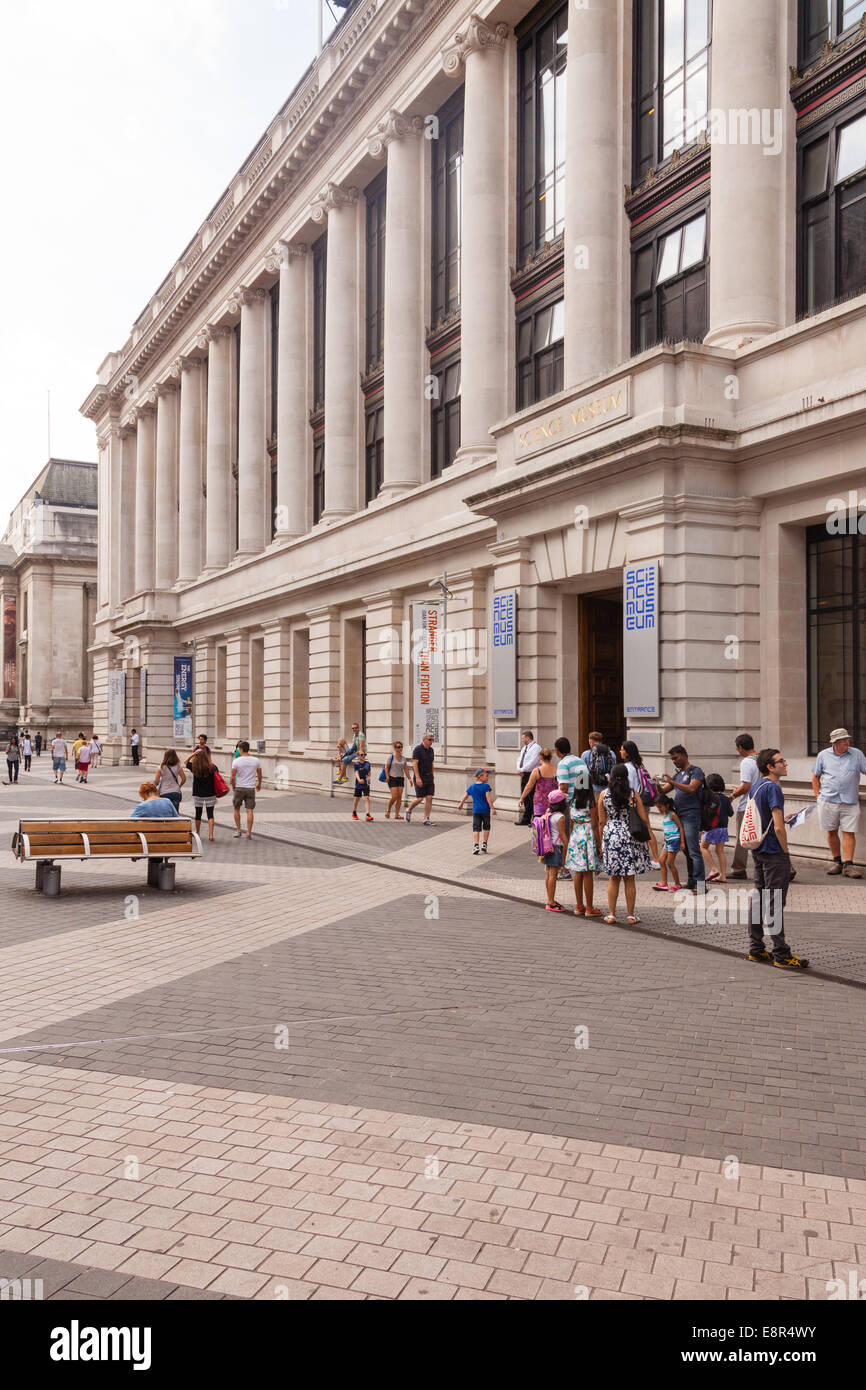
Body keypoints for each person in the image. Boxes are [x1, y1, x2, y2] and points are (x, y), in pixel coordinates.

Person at [746, 749, 809, 970]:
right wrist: (786, 852)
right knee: (774, 903)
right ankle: (781, 953)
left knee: (759, 898)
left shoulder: (757, 786)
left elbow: (768, 819)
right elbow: (779, 828)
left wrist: (783, 819)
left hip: (758, 849)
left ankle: (756, 948)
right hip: (773, 852)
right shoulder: (773, 788)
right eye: (781, 761)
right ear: (770, 767)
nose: (785, 763)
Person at [597, 762, 653, 924]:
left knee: (614, 878)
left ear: (611, 777)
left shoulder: (604, 795)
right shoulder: (633, 795)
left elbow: (601, 822)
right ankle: (630, 915)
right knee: (629, 878)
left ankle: (612, 914)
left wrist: (601, 843)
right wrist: (648, 838)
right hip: (630, 836)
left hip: (612, 835)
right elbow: (643, 818)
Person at [811, 727, 866, 878]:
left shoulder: (857, 754)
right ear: (835, 743)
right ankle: (837, 862)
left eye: (847, 739)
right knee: (831, 831)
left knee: (849, 832)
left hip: (850, 801)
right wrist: (818, 797)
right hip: (828, 800)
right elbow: (815, 777)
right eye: (843, 741)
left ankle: (849, 865)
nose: (847, 742)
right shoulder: (823, 755)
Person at [658, 746, 706, 892]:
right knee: (686, 852)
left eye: (676, 758)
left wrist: (672, 782)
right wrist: (654, 783)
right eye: (672, 759)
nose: (674, 761)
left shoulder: (695, 771)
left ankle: (701, 885)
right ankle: (692, 881)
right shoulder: (678, 775)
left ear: (684, 755)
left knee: (694, 850)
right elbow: (662, 791)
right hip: (679, 816)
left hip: (692, 815)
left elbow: (692, 788)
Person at [564, 779, 602, 917]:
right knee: (587, 873)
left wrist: (570, 841)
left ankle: (579, 906)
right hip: (587, 836)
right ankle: (589, 908)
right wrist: (600, 843)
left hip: (575, 836)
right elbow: (594, 825)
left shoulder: (572, 802)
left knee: (578, 873)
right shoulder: (590, 803)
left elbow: (571, 823)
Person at [619, 740, 660, 864]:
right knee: (643, 828)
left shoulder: (627, 767)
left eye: (622, 749)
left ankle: (656, 859)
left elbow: (630, 786)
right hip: (643, 800)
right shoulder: (639, 765)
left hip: (636, 801)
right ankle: (646, 856)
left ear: (627, 752)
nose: (620, 751)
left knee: (645, 829)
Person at [728, 733, 760, 880]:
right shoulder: (762, 759)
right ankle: (787, 867)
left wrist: (733, 795)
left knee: (743, 838)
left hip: (747, 805)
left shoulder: (746, 762)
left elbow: (746, 786)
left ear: (740, 747)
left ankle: (739, 868)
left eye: (737, 748)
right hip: (762, 804)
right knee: (766, 836)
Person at [536, 788, 570, 913]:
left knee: (548, 873)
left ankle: (550, 899)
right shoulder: (560, 817)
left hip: (547, 847)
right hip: (556, 848)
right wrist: (568, 847)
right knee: (553, 875)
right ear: (562, 804)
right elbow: (562, 834)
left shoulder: (547, 813)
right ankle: (550, 902)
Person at [701, 773, 734, 883]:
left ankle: (713, 869)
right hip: (723, 828)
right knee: (720, 851)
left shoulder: (709, 797)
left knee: (703, 847)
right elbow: (731, 813)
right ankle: (723, 876)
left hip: (711, 827)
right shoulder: (725, 799)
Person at [459, 768, 496, 854]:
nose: (488, 778)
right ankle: (484, 844)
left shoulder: (472, 787)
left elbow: (465, 796)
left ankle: (476, 846)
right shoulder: (486, 786)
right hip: (485, 810)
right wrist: (492, 808)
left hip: (476, 811)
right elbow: (488, 798)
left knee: (476, 828)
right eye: (486, 776)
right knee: (486, 827)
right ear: (480, 776)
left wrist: (461, 804)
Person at [231, 740, 262, 838]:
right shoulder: (256, 760)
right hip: (250, 788)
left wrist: (233, 786)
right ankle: (248, 833)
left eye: (238, 749)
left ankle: (238, 830)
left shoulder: (236, 761)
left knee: (236, 808)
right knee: (250, 810)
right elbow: (260, 774)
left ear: (240, 749)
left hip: (239, 787)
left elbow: (232, 776)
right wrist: (259, 784)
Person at [653, 794, 684, 892]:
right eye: (657, 807)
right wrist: (665, 840)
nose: (659, 809)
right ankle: (664, 883)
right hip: (668, 842)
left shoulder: (672, 815)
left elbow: (680, 828)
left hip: (674, 841)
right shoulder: (665, 816)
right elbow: (668, 830)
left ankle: (678, 884)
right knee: (661, 861)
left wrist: (682, 842)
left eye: (660, 807)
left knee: (670, 863)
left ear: (666, 805)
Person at [518, 748, 559, 821]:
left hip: (539, 803)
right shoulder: (556, 769)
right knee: (551, 826)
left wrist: (522, 798)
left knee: (538, 826)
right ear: (551, 757)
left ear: (540, 757)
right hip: (553, 803)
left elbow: (529, 786)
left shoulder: (537, 771)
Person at [405, 734, 435, 824]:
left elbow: (432, 763)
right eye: (430, 739)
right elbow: (414, 764)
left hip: (429, 777)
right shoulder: (418, 749)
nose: (431, 741)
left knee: (429, 797)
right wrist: (417, 777)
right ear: (424, 740)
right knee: (420, 798)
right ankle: (409, 809)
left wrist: (433, 774)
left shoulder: (431, 750)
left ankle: (426, 818)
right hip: (420, 776)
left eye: (432, 740)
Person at [189, 748, 217, 842]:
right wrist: (208, 758)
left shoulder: (194, 767)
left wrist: (193, 754)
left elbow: (185, 762)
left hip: (198, 793)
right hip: (210, 793)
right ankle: (211, 834)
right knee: (210, 814)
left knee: (198, 814)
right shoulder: (212, 767)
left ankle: (197, 832)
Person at [515, 730, 542, 826]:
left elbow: (533, 761)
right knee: (525, 796)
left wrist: (523, 769)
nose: (522, 740)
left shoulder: (536, 748)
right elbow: (519, 759)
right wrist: (519, 769)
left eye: (523, 738)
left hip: (532, 773)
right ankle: (526, 818)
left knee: (532, 797)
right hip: (524, 774)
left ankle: (534, 819)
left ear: (528, 737)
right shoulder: (524, 748)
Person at [583, 738, 615, 803]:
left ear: (592, 742)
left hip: (594, 788)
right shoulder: (611, 753)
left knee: (596, 810)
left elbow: (583, 773)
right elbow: (614, 770)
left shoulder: (586, 754)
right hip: (609, 788)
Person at [383, 741, 408, 819]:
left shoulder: (404, 758)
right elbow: (386, 767)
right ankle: (388, 810)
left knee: (400, 797)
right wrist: (387, 776)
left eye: (401, 747)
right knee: (394, 796)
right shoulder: (391, 757)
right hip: (392, 777)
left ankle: (397, 814)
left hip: (400, 778)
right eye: (398, 747)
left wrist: (410, 779)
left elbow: (406, 769)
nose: (400, 748)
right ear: (394, 748)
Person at [351, 750, 373, 822]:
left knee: (367, 798)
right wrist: (359, 779)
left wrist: (369, 778)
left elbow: (369, 773)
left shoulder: (367, 763)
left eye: (364, 754)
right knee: (357, 799)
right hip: (358, 784)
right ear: (358, 756)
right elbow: (356, 773)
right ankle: (354, 812)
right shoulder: (356, 764)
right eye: (361, 755)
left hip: (366, 784)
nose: (363, 756)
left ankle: (368, 814)